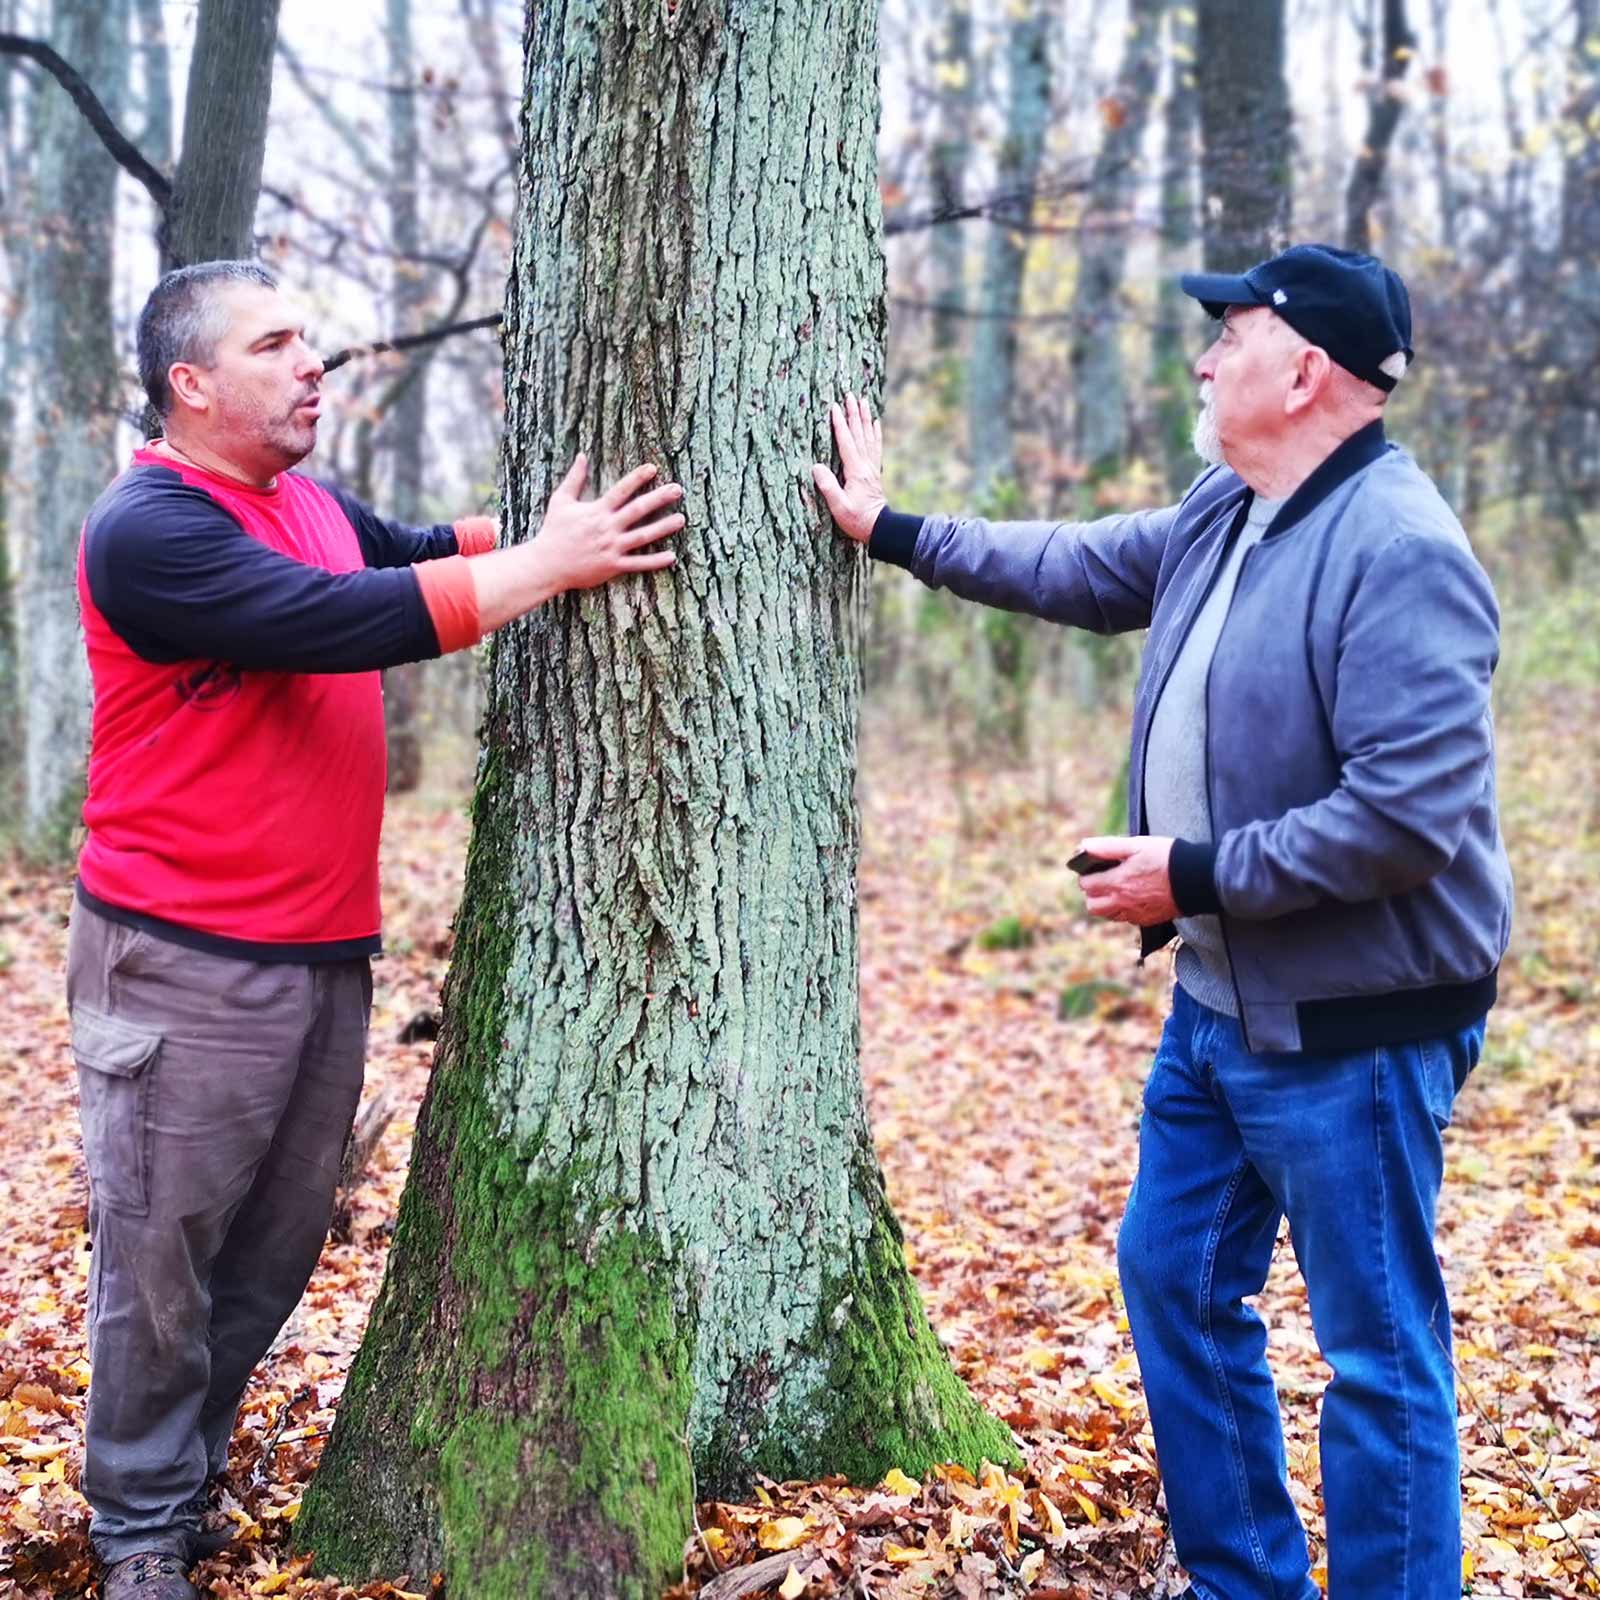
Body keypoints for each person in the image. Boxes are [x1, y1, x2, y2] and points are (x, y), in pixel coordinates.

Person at [812, 243, 1513, 1600]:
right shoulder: (1229, 506)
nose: (1204, 358)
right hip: (1219, 1010)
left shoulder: (1402, 551)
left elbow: (1405, 821)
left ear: (1305, 368)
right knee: (1176, 1287)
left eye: (1231, 334)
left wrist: (1191, 874)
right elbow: (1077, 566)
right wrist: (895, 531)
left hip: (1358, 1031)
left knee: (1378, 1355)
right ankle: (1245, 1579)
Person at [69, 260, 684, 1600]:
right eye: (278, 345)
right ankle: (137, 1530)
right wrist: (540, 568)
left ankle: (187, 1468)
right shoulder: (151, 529)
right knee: (164, 1252)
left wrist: (536, 535)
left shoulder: (304, 503)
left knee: (278, 1244)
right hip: (180, 956)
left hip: (321, 952)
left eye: (313, 343)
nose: (314, 365)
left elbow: (399, 551)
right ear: (192, 382)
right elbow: (336, 623)